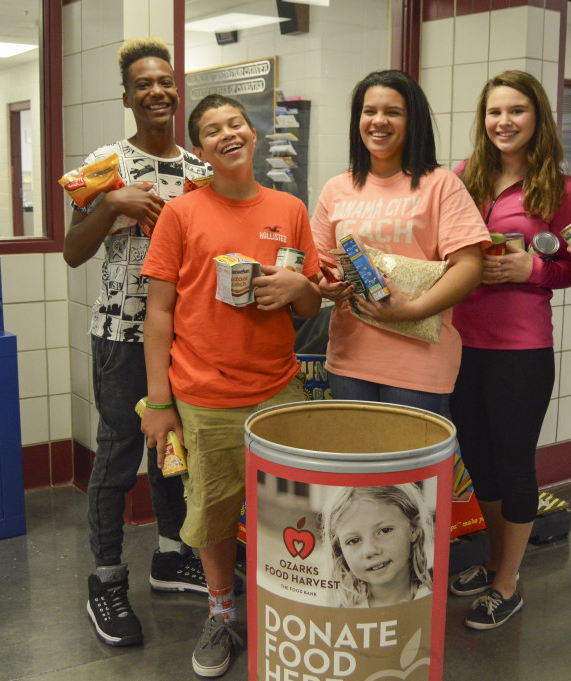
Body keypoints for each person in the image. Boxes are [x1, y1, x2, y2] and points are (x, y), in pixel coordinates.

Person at [140, 93, 321, 678]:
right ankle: (220, 613)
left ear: (254, 132)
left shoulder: (290, 208)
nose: (227, 134)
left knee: (291, 514)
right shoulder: (181, 214)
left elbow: (313, 299)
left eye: (235, 124)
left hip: (279, 393)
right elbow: (160, 313)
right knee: (215, 512)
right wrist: (160, 403)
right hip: (205, 396)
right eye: (212, 130)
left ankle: (284, 608)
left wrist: (297, 286)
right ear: (200, 150)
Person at [62, 36, 210, 649]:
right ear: (126, 97)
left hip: (185, 336)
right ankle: (106, 577)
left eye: (165, 81)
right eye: (144, 84)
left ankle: (172, 556)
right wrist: (111, 204)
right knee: (121, 450)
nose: (157, 91)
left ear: (176, 91)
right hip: (121, 336)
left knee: (175, 446)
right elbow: (72, 253)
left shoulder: (201, 170)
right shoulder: (104, 164)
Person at [446, 71, 571, 630]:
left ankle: (508, 581)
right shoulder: (461, 177)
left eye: (516, 111)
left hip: (520, 349)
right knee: (479, 465)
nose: (503, 122)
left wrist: (533, 268)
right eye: (494, 111)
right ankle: (495, 559)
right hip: (460, 344)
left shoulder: (560, 188)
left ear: (538, 119)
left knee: (513, 463)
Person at [311, 70, 490, 415]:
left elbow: (469, 266)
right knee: (357, 467)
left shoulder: (441, 185)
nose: (378, 121)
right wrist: (325, 285)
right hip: (349, 360)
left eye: (393, 112)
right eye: (369, 111)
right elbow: (318, 264)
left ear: (413, 121)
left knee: (412, 470)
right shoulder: (337, 188)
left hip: (419, 366)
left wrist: (410, 311)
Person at [319, 484, 434, 608]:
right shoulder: (342, 611)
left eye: (384, 531)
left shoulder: (435, 598)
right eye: (354, 540)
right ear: (339, 548)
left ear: (414, 529)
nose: (370, 550)